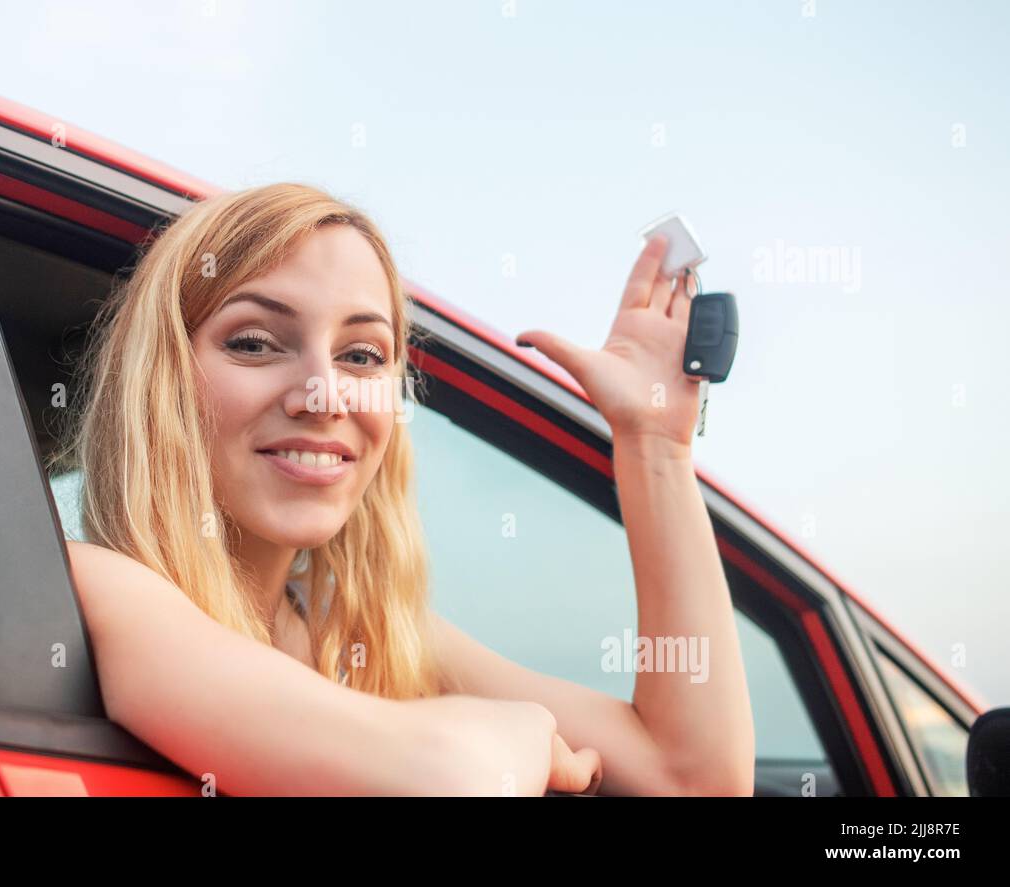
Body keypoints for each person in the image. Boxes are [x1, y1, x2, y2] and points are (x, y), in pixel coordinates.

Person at [60, 182, 754, 796]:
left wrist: (654, 443)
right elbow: (446, 778)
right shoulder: (90, 587)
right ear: (163, 378)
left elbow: (693, 778)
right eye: (254, 342)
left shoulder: (353, 626)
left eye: (361, 355)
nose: (323, 394)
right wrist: (522, 728)